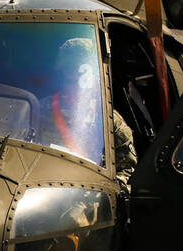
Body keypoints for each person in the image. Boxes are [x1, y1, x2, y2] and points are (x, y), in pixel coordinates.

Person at [36, 37, 137, 189]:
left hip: (85, 194)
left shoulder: (108, 119)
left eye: (78, 75)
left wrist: (101, 192)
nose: (72, 80)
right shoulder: (41, 108)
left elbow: (126, 168)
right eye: (67, 74)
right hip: (42, 187)